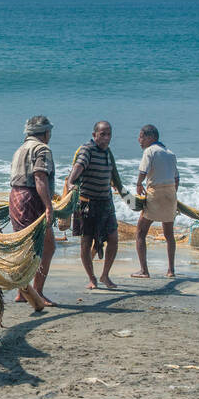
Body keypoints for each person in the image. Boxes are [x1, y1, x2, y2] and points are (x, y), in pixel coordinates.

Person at [62, 121, 121, 289]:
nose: (106, 137)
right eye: (103, 134)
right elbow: (77, 169)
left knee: (113, 239)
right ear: (95, 135)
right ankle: (92, 278)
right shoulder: (87, 150)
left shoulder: (108, 153)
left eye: (109, 134)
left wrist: (132, 202)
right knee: (86, 243)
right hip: (87, 205)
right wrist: (72, 183)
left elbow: (116, 180)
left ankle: (105, 275)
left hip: (106, 204)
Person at [8, 115, 57, 307]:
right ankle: (37, 292)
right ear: (45, 133)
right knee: (47, 246)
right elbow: (39, 178)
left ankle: (23, 291)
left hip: (16, 197)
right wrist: (48, 206)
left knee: (26, 247)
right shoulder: (42, 149)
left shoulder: (20, 149)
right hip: (31, 198)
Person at [132, 124, 180, 278]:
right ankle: (171, 270)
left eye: (141, 137)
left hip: (155, 193)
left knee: (140, 231)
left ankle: (144, 270)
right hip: (171, 193)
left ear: (150, 137)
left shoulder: (150, 151)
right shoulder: (170, 153)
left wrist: (139, 185)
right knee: (169, 234)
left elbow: (143, 171)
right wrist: (172, 194)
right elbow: (177, 178)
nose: (139, 140)